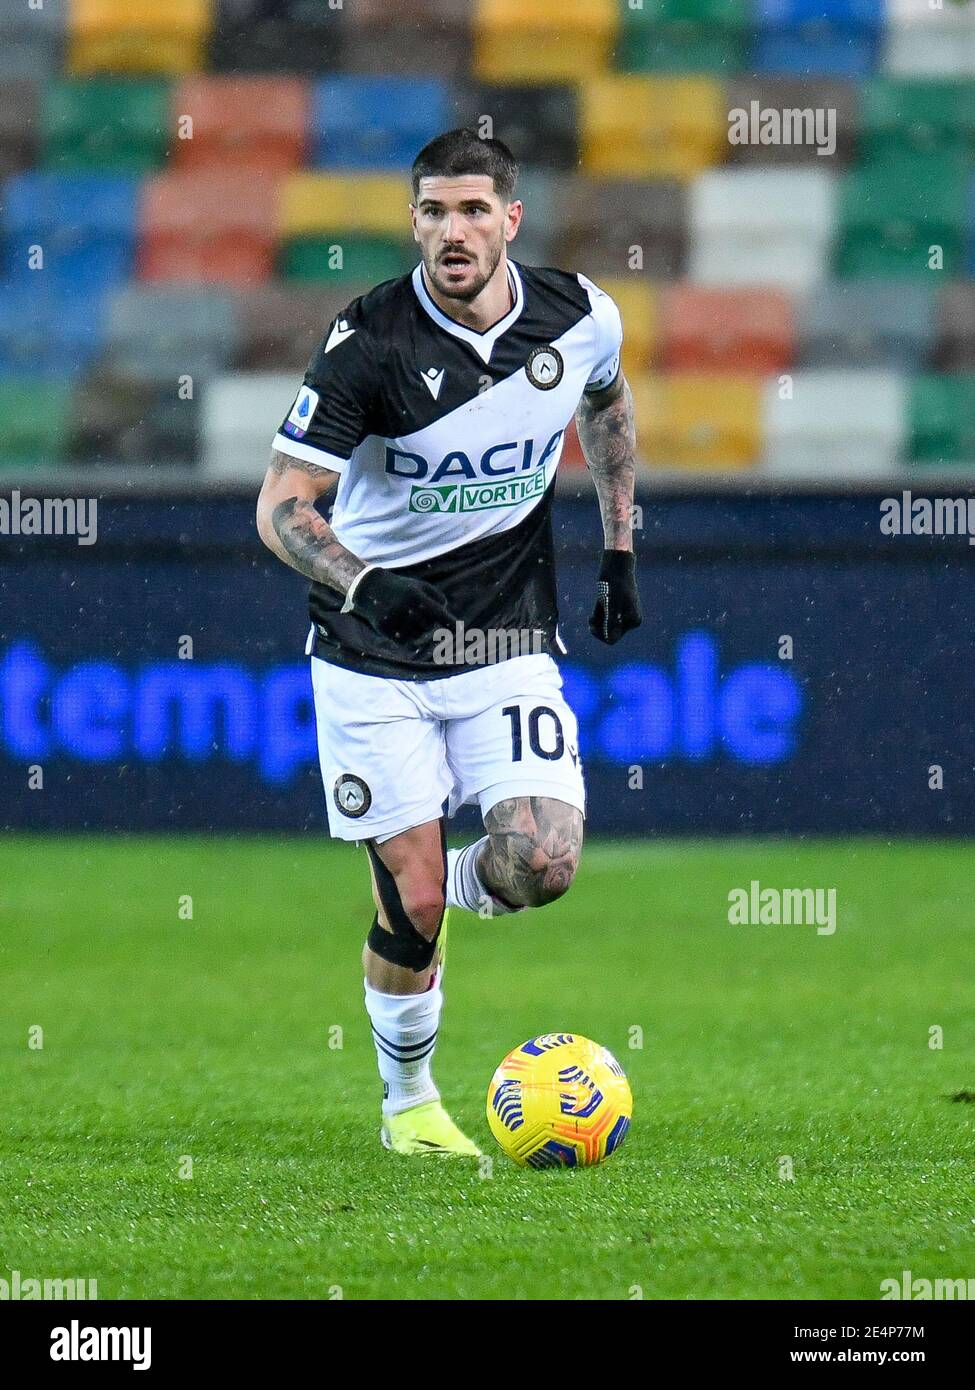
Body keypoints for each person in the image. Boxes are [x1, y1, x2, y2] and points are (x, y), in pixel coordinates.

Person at [256, 129, 641, 1155]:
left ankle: (436, 887)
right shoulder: (368, 339)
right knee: (414, 903)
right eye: (433, 212)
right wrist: (366, 582)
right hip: (370, 658)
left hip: (507, 640)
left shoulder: (579, 314)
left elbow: (608, 405)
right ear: (412, 221)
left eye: (474, 211)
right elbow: (283, 508)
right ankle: (409, 1105)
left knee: (544, 862)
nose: (453, 230)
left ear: (512, 219)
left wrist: (618, 550)